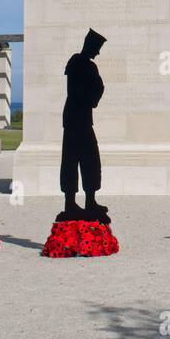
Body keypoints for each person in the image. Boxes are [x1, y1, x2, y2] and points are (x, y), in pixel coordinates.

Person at [61, 29, 107, 218]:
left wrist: (95, 92)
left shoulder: (83, 64)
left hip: (79, 119)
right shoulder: (80, 64)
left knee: (89, 160)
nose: (97, 53)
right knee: (75, 160)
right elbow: (84, 90)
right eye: (97, 49)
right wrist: (94, 94)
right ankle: (71, 202)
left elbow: (97, 86)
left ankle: (89, 200)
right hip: (76, 120)